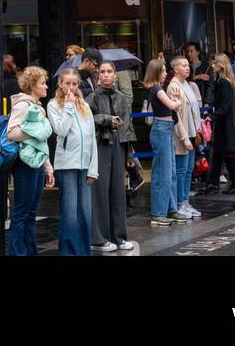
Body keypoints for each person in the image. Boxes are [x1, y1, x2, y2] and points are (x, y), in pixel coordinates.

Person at [47, 66, 99, 255]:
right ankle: (68, 251)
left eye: (75, 84)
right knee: (69, 211)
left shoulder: (84, 105)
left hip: (85, 164)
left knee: (85, 210)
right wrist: (68, 106)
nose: (71, 87)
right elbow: (60, 130)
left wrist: (93, 168)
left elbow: (92, 136)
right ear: (60, 84)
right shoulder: (53, 105)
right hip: (66, 164)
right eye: (67, 83)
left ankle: (83, 251)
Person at [6, 65, 55, 257]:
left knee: (31, 212)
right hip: (25, 165)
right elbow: (12, 133)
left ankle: (29, 251)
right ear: (32, 86)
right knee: (22, 212)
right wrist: (35, 130)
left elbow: (41, 142)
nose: (46, 87)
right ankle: (18, 252)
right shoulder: (22, 105)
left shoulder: (38, 107)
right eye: (42, 83)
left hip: (36, 163)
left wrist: (48, 167)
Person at [89, 60, 136, 251]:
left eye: (109, 71)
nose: (106, 74)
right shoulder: (92, 97)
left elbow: (128, 124)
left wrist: (130, 154)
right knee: (99, 192)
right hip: (100, 144)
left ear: (115, 74)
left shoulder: (122, 98)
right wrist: (107, 120)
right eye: (103, 71)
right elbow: (87, 119)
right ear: (98, 75)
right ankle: (99, 238)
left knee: (117, 191)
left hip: (118, 144)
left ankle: (118, 237)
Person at [143, 56, 184, 226]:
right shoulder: (157, 90)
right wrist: (177, 100)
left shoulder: (157, 89)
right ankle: (159, 213)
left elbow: (171, 106)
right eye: (164, 70)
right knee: (163, 173)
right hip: (161, 130)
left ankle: (171, 209)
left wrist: (175, 100)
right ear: (157, 72)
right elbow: (173, 106)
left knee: (170, 171)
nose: (166, 73)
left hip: (165, 130)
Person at [167, 55, 203, 219]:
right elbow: (176, 117)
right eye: (184, 65)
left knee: (189, 170)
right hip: (182, 135)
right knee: (181, 171)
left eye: (188, 65)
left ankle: (185, 201)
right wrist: (184, 138)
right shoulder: (173, 86)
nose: (188, 68)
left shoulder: (187, 84)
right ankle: (180, 203)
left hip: (192, 133)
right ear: (175, 69)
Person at [204, 53, 235, 193]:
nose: (212, 65)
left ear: (222, 65)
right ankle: (213, 183)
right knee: (218, 154)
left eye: (215, 63)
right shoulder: (220, 81)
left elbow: (226, 104)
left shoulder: (224, 83)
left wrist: (213, 116)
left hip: (226, 125)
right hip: (223, 124)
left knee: (228, 155)